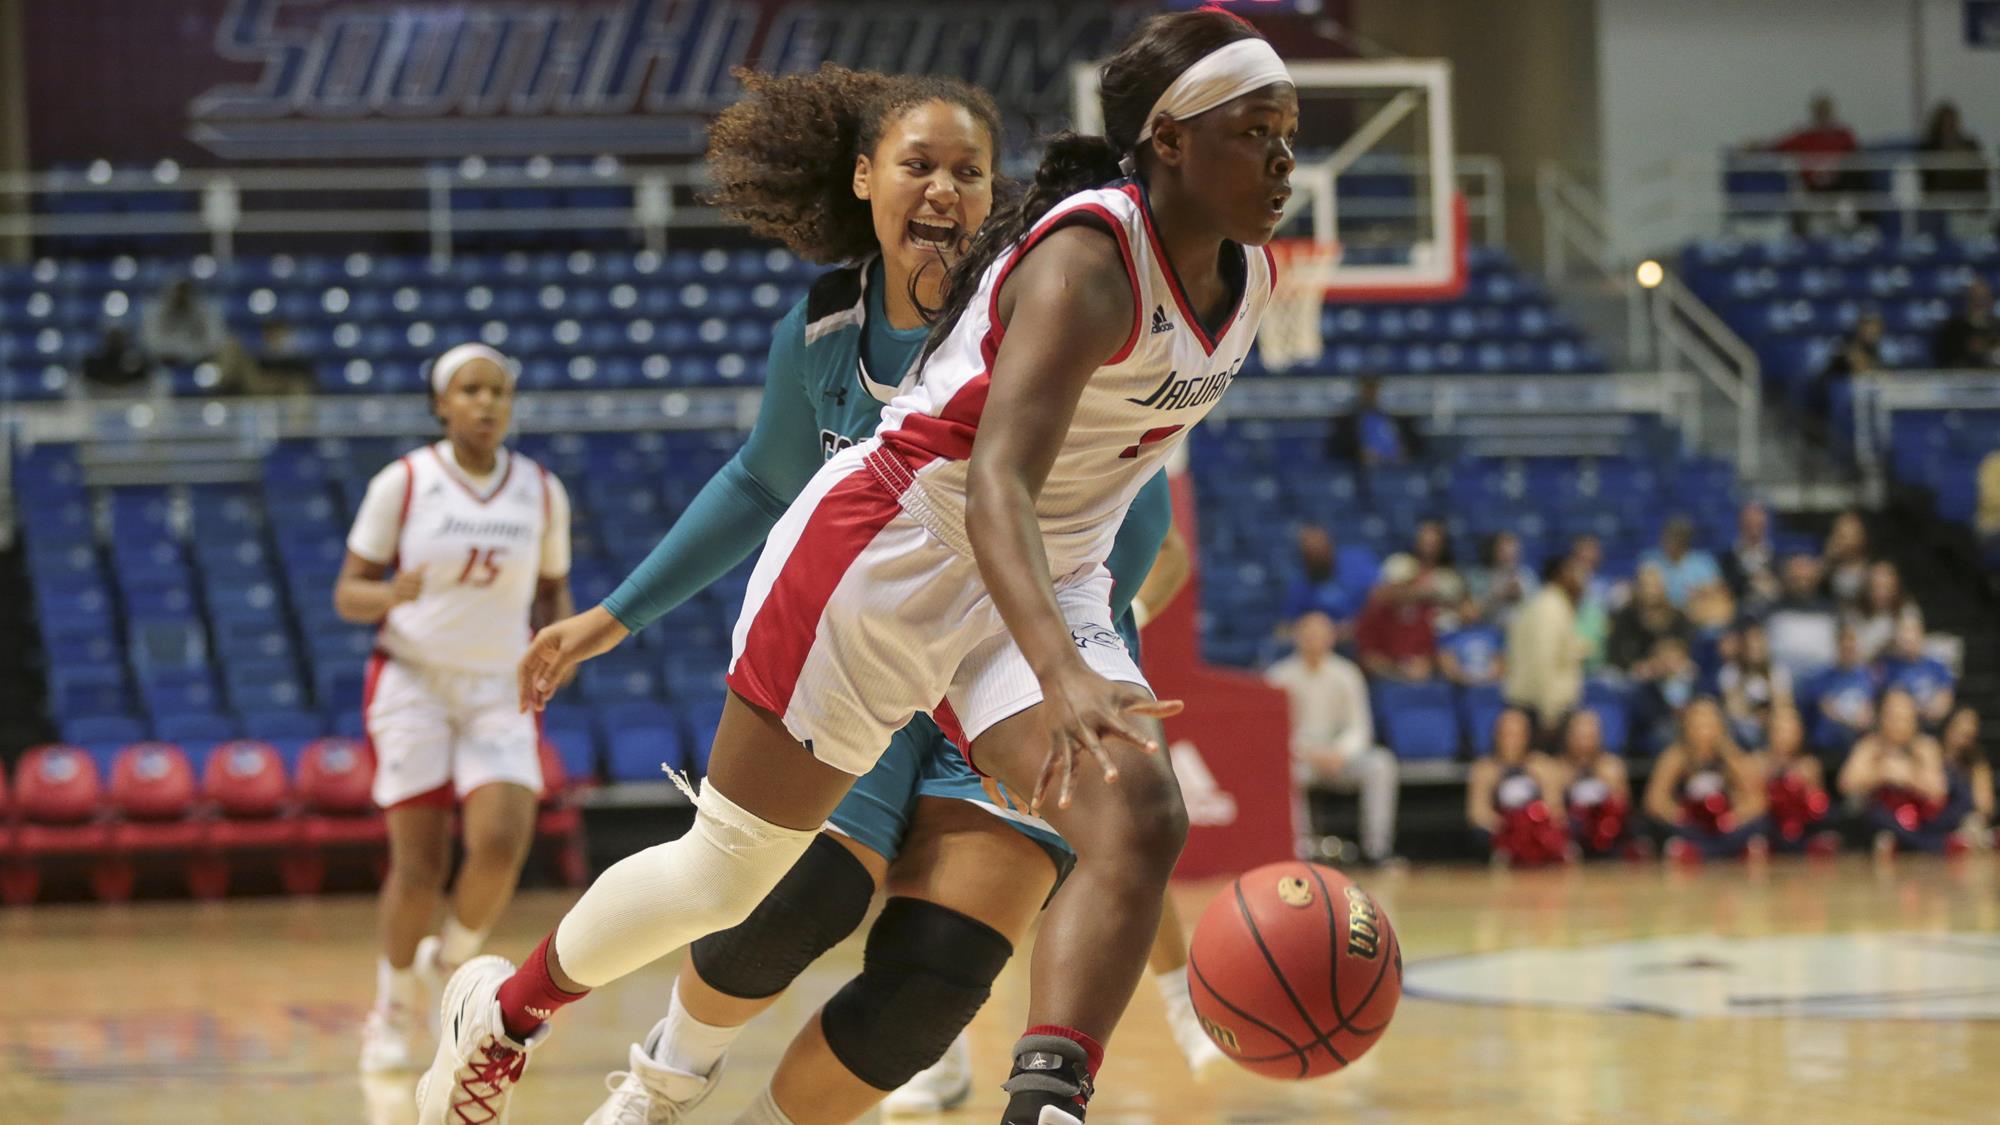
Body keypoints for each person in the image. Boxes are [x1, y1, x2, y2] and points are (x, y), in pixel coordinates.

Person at [416, 14, 1296, 1125]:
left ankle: (1047, 1104)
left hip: (1040, 573)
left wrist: (1090, 632)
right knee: (731, 878)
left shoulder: (1250, 283)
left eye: (1290, 134)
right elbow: (990, 488)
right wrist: (1062, 669)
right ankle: (506, 1014)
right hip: (890, 550)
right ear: (1167, 140)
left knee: (1135, 813)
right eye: (1256, 131)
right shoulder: (1084, 263)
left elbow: (1100, 483)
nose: (1283, 159)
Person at [334, 343, 574, 1075]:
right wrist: (388, 595)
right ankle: (393, 1002)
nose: (486, 403)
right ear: (442, 403)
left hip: (499, 683)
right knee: (419, 863)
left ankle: (455, 960)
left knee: (502, 840)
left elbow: (553, 592)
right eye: (470, 390)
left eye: (498, 391)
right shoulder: (403, 482)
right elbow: (349, 593)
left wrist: (558, 650)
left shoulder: (540, 488)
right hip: (413, 681)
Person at [1266, 611, 1401, 865]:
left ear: (1331, 638)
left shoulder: (1347, 673)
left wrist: (1341, 753)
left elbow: (1360, 726)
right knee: (1285, 773)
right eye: (1308, 634)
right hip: (1301, 758)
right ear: (1297, 637)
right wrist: (1308, 752)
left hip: (1340, 758)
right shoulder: (1279, 677)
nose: (1314, 640)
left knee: (1381, 764)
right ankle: (1299, 849)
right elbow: (1274, 733)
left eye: (1320, 634)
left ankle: (1377, 850)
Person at [1645, 698, 1769, 863]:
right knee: (1657, 827)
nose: (1704, 731)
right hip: (1690, 826)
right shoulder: (1675, 756)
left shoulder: (1732, 756)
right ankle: (1686, 849)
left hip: (1725, 826)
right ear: (1687, 726)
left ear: (1721, 727)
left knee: (1759, 825)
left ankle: (1737, 849)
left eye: (1709, 724)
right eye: (1698, 724)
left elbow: (1756, 800)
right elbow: (1655, 801)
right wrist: (1677, 815)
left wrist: (1735, 817)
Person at [1839, 690, 1952, 857]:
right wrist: (1880, 773)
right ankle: (1928, 844)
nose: (1898, 724)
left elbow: (1938, 791)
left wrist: (1908, 777)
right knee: (1870, 816)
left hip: (1919, 820)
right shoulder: (1869, 745)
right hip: (1880, 820)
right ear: (1881, 718)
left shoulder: (1925, 746)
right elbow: (1846, 784)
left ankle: (1909, 843)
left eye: (1904, 718)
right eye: (1892, 717)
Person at [1466, 708, 1571, 866]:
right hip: (1501, 833)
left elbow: (1556, 809)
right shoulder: (1484, 769)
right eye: (1506, 734)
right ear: (1496, 735)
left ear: (1528, 736)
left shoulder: (1543, 766)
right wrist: (1509, 828)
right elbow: (1477, 813)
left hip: (1538, 832)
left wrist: (1532, 827)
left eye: (1517, 734)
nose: (1511, 740)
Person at [1502, 552, 1587, 732]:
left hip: (1536, 704)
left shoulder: (1541, 603)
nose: (1581, 579)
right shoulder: (1551, 607)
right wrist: (1549, 712)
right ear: (1561, 574)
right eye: (1575, 572)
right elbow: (1543, 659)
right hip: (1543, 709)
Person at [1755, 706, 1837, 855]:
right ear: (1770, 732)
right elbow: (1755, 804)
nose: (1784, 736)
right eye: (1779, 730)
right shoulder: (1759, 763)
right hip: (1771, 827)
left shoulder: (1809, 765)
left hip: (1803, 828)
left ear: (1799, 732)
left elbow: (1819, 807)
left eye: (1789, 730)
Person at [1556, 709, 1635, 860]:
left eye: (1590, 736)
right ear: (1568, 736)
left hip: (1607, 840)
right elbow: (1554, 812)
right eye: (1580, 736)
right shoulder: (1557, 769)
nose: (1585, 742)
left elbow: (1624, 810)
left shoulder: (1612, 767)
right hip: (1571, 838)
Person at [1356, 553, 1437, 681]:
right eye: (1401, 584)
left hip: (1425, 682)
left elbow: (1438, 650)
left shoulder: (1428, 612)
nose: (1406, 589)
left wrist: (1427, 663)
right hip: (1386, 682)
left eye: (1410, 583)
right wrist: (1400, 671)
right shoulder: (1374, 614)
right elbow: (1368, 658)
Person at [1605, 565, 1690, 679]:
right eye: (1644, 585)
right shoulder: (1626, 616)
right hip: (1637, 672)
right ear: (1637, 588)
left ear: (1662, 587)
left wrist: (1668, 661)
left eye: (1654, 585)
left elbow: (1686, 645)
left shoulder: (1677, 616)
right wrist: (1634, 666)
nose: (1649, 591)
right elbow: (1615, 652)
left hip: (1672, 669)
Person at [1718, 621, 1793, 748]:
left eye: (1758, 643)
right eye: (1750, 644)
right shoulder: (1730, 672)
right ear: (1742, 647)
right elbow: (1734, 709)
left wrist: (1768, 717)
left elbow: (1784, 704)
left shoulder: (1777, 671)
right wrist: (1755, 715)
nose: (1755, 648)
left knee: (1785, 722)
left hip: (1770, 725)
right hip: (1742, 729)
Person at [1766, 553, 1840, 680]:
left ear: (1816, 577)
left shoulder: (1830, 610)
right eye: (1796, 577)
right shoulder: (1770, 610)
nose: (1801, 582)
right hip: (1781, 682)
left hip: (1824, 681)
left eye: (1806, 577)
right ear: (1785, 576)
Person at [1811, 625, 1879, 762]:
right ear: (1837, 647)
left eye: (1852, 648)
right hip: (1829, 742)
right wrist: (1851, 720)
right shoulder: (1823, 678)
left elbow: (1869, 714)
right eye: (1845, 648)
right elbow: (1828, 710)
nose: (1848, 652)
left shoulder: (1867, 678)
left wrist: (1864, 718)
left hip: (1857, 741)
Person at [1281, 523, 1363, 631]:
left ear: (1329, 544)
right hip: (1321, 638)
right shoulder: (1299, 587)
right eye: (1310, 549)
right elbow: (1287, 624)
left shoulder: (1355, 563)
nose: (1316, 552)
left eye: (1319, 546)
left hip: (1358, 633)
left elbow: (1377, 599)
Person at [1328, 373, 1422, 467]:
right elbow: (1337, 452)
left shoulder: (1401, 418)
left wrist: (1406, 453)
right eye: (1367, 388)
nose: (1371, 393)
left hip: (1399, 470)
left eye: (1374, 388)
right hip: (1363, 473)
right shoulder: (1346, 422)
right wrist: (1359, 454)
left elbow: (1417, 448)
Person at [1882, 615, 1954, 731]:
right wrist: (1916, 710)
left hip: (1935, 721)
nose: (1909, 638)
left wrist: (1938, 707)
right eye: (1904, 633)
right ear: (1897, 639)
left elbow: (1946, 695)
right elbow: (1892, 700)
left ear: (1921, 635)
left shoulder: (1936, 665)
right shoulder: (1890, 667)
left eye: (1913, 632)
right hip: (1904, 724)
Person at [1939, 708, 1995, 852]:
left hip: (1966, 824)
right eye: (1961, 727)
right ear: (1949, 727)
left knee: (1974, 827)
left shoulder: (1977, 764)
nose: (1966, 731)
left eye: (1971, 728)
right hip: (1937, 822)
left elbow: (1985, 806)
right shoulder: (1934, 756)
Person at [1639, 516, 1722, 611]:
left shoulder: (1703, 562)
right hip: (1661, 611)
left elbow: (1714, 590)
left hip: (1694, 611)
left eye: (1677, 536)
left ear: (1685, 540)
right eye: (1669, 535)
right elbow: (1645, 589)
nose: (1671, 540)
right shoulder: (1650, 559)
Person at [1844, 559, 1919, 664]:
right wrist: (1879, 649)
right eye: (1876, 586)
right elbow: (1851, 652)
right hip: (1865, 668)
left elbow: (1914, 644)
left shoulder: (1906, 608)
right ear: (1867, 587)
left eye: (1886, 587)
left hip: (1899, 666)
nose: (1881, 592)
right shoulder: (1855, 613)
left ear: (1895, 587)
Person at [1917, 101, 1989, 205]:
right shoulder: (1930, 147)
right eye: (1946, 122)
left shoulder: (1970, 144)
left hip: (1970, 194)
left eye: (1953, 121)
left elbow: (1982, 168)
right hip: (1942, 195)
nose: (1950, 125)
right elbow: (1927, 176)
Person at [1720, 500, 1781, 616]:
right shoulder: (1727, 558)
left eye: (1758, 523)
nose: (1753, 526)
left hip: (1772, 612)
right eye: (1749, 522)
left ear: (1765, 524)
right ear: (1741, 523)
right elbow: (1725, 587)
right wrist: (1750, 582)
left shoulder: (1778, 557)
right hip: (1737, 613)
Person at [1465, 530, 1537, 626]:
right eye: (1503, 549)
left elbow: (1537, 607)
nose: (1509, 553)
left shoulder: (1527, 575)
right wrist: (1499, 596)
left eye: (1513, 548)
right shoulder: (1478, 575)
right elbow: (1472, 612)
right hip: (1488, 629)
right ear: (1493, 550)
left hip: (1522, 628)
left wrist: (1521, 595)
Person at [1932, 276, 1998, 370]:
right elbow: (1945, 359)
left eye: (1984, 298)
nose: (1980, 303)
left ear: (1991, 300)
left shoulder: (1997, 326)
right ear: (1968, 300)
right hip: (1962, 379)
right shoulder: (1954, 328)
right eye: (1976, 298)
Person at [1438, 603, 1505, 688]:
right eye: (1465, 608)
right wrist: (1465, 679)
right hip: (1462, 687)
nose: (1469, 612)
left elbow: (1500, 662)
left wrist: (1486, 678)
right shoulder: (1450, 636)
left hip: (1489, 685)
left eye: (1472, 608)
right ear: (1458, 611)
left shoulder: (1493, 634)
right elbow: (1448, 664)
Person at [1821, 510, 1871, 607]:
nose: (1844, 539)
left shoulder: (1871, 569)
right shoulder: (1828, 567)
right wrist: (1828, 559)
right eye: (1840, 534)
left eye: (1850, 534)